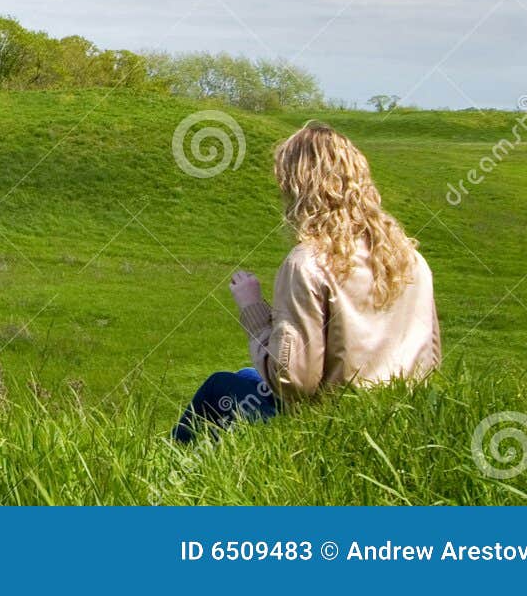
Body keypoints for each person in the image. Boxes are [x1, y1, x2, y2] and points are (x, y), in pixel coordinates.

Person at [172, 120, 440, 443]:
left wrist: (254, 311)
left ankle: (168, 477)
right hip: (398, 420)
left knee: (218, 387)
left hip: (330, 428)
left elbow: (294, 383)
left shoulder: (307, 263)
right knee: (245, 378)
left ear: (300, 190)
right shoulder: (411, 260)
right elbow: (430, 357)